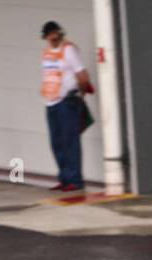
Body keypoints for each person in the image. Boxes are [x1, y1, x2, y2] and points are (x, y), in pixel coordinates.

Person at [40, 20, 93, 192]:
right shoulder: (47, 53)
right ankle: (64, 178)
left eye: (55, 34)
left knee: (70, 142)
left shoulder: (69, 50)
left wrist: (80, 95)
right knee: (57, 143)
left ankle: (75, 180)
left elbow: (82, 75)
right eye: (49, 35)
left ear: (59, 33)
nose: (52, 37)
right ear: (46, 37)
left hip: (66, 102)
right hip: (51, 102)